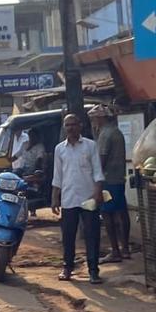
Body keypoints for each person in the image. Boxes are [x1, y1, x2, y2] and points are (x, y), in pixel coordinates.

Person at [52, 114, 105, 284]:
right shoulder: (59, 149)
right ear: (64, 128)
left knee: (92, 235)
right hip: (68, 198)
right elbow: (57, 176)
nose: (70, 128)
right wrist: (55, 198)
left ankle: (93, 271)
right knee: (68, 235)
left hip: (88, 197)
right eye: (67, 125)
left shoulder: (90, 146)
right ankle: (67, 268)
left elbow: (97, 171)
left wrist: (97, 192)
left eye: (73, 124)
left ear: (80, 126)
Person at [90, 105, 130, 262]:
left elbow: (101, 159)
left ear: (100, 118)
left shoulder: (106, 134)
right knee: (121, 211)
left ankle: (115, 250)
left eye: (94, 118)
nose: (93, 121)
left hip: (108, 179)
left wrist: (94, 178)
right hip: (118, 178)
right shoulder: (115, 131)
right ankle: (125, 248)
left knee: (108, 214)